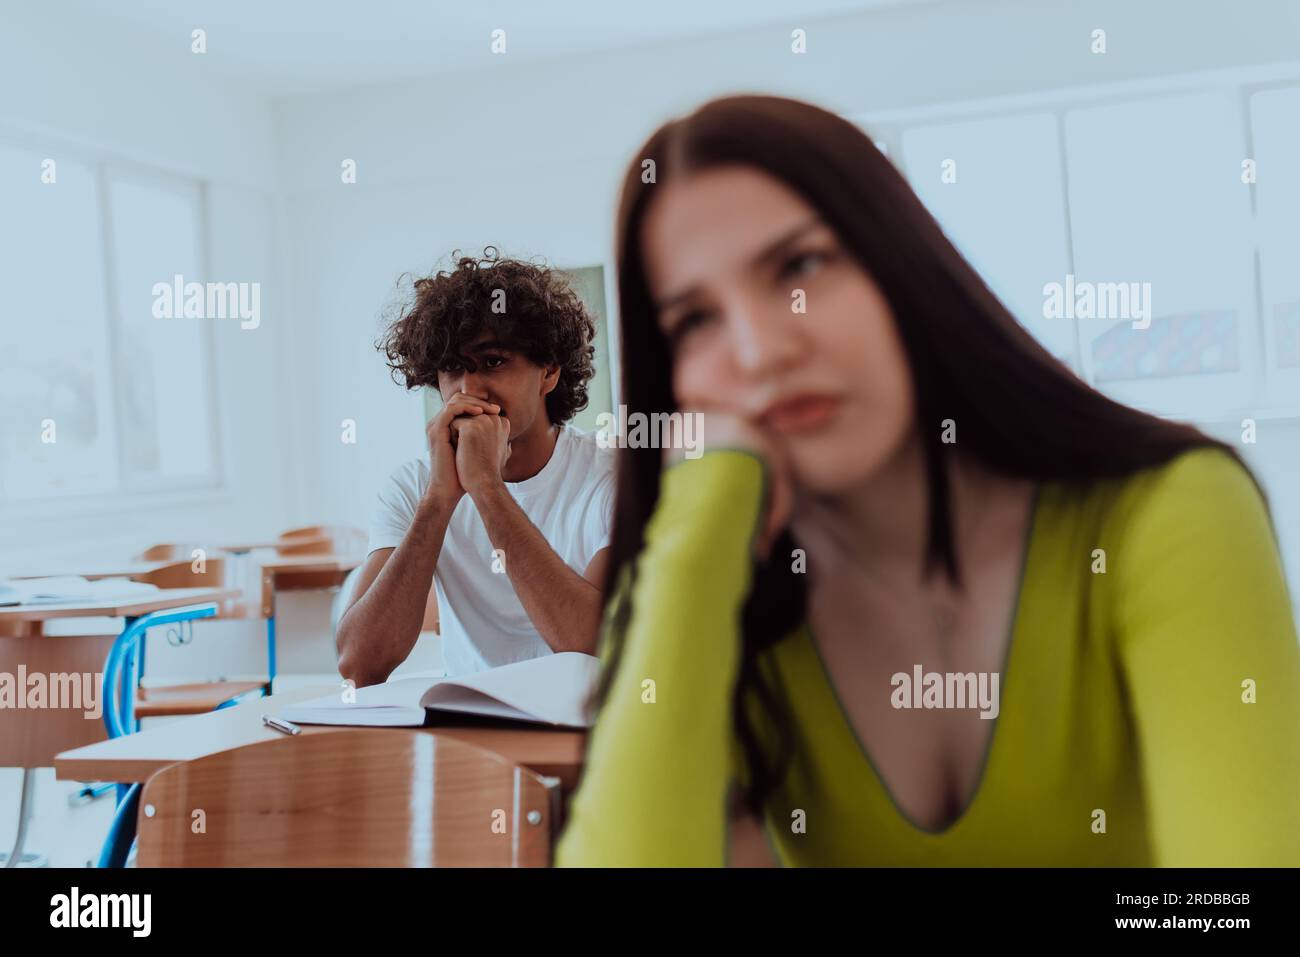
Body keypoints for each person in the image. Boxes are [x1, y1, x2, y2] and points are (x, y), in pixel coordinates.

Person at [555, 95, 1300, 866]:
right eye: (694, 321)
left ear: (901, 263)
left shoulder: (1172, 512)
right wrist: (699, 532)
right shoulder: (707, 577)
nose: (758, 349)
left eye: (801, 266)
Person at [337, 249, 614, 684]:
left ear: (549, 373)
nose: (469, 390)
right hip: (470, 728)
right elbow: (359, 663)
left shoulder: (612, 476)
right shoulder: (414, 486)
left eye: (493, 362)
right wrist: (439, 501)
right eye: (452, 369)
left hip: (586, 728)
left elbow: (593, 646)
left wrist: (487, 488)